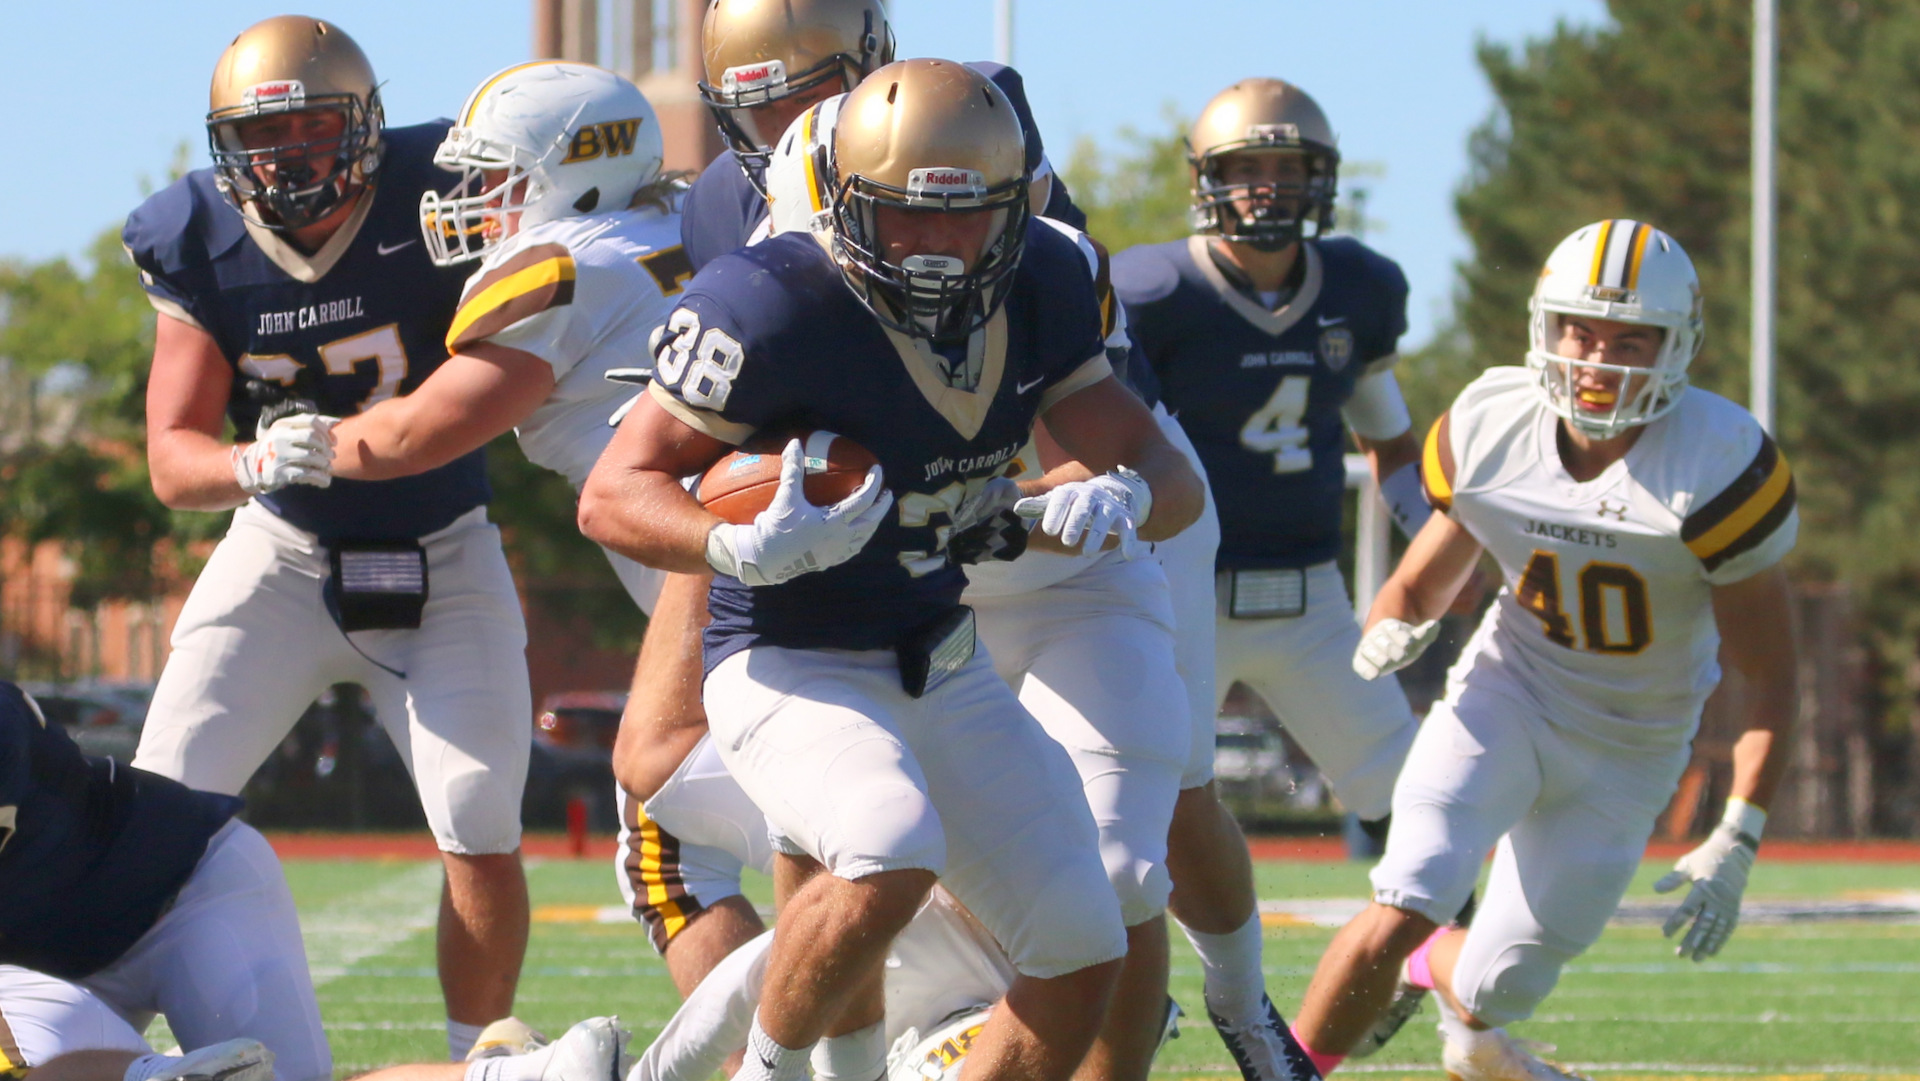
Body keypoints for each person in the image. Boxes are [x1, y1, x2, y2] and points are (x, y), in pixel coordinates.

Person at [578, 59, 1205, 1081]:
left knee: (1086, 940)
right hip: (788, 655)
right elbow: (612, 491)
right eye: (905, 215)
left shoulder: (1045, 277)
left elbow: (1166, 473)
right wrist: (728, 543)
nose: (937, 247)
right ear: (843, 202)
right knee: (890, 841)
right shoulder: (772, 301)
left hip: (938, 649)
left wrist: (1118, 496)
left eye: (966, 218)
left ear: (1013, 207)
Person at [1287, 221, 1800, 1079]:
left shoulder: (1717, 465)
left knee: (1502, 979)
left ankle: (1440, 981)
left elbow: (1773, 674)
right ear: (1546, 327)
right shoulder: (1495, 421)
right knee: (1408, 890)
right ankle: (1286, 1069)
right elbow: (1421, 582)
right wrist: (1394, 621)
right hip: (1507, 695)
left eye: (1632, 339)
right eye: (1581, 331)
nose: (1599, 359)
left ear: (1680, 346)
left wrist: (1738, 832)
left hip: (1631, 746)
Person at [121, 17, 530, 1059]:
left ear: (363, 125)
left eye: (309, 130)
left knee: (479, 817)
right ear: (224, 148)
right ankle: (89, 1039)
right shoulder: (195, 232)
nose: (286, 158)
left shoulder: (443, 183)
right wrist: (248, 463)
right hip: (284, 550)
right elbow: (173, 458)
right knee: (158, 808)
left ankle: (472, 1052)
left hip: (445, 541)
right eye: (261, 141)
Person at [315, 57, 753, 993]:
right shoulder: (686, 222)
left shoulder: (564, 265)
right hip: (771, 534)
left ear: (575, 167)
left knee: (676, 858)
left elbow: (417, 433)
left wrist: (294, 448)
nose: (476, 200)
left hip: (724, 572)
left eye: (498, 175)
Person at [1111, 75, 1429, 1067]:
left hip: (1312, 600)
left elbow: (1391, 443)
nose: (1267, 190)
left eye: (1287, 169)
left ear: (1320, 180)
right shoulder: (1152, 292)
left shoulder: (1360, 289)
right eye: (1245, 170)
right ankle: (1135, 1002)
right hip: (1178, 593)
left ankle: (1404, 990)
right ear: (1206, 181)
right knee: (1136, 818)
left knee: (1434, 817)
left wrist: (1439, 549)